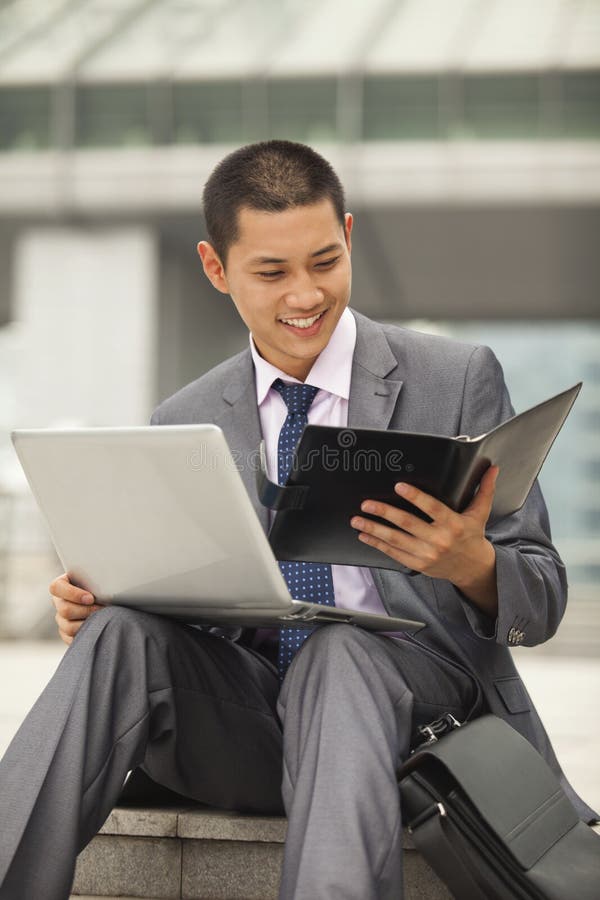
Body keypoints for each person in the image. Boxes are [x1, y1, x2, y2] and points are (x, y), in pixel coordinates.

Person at [0, 140, 595, 900]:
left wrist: (467, 561)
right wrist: (106, 598)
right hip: (253, 726)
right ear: (217, 270)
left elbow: (540, 600)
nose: (305, 295)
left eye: (324, 262)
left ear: (348, 236)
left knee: (340, 650)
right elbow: (180, 618)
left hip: (415, 724)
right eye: (272, 273)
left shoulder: (456, 380)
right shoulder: (184, 418)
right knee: (119, 634)